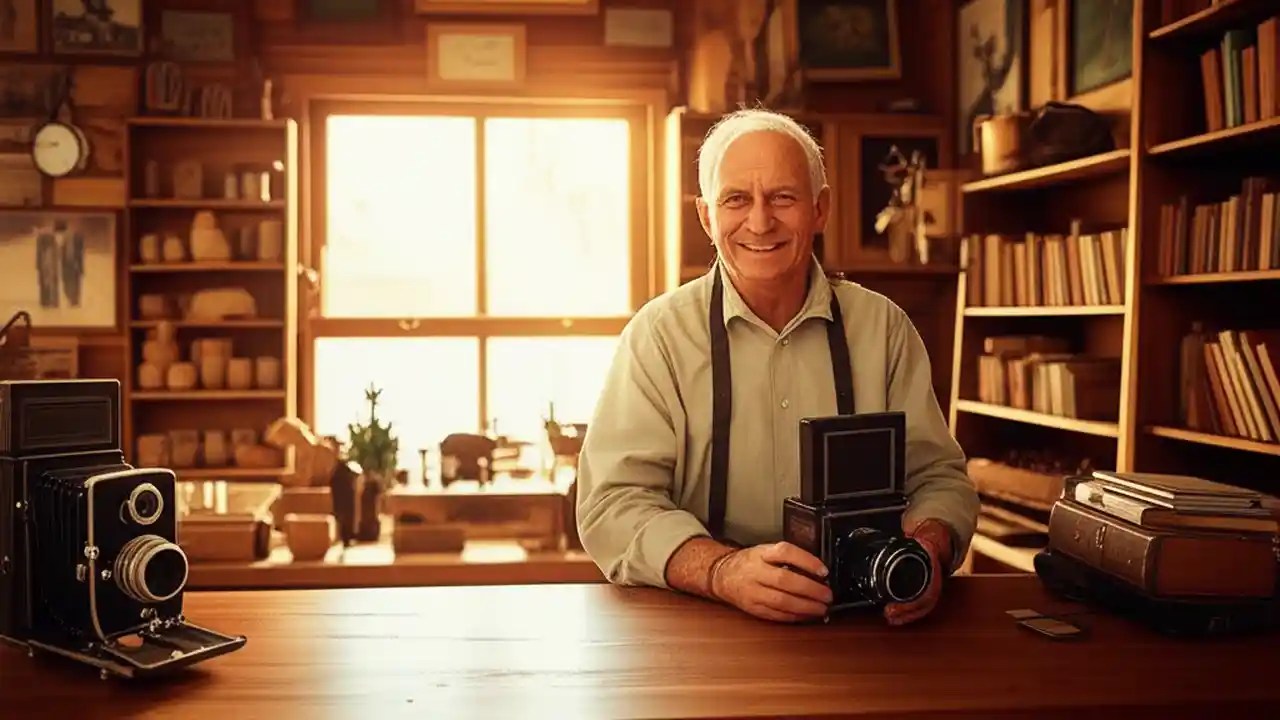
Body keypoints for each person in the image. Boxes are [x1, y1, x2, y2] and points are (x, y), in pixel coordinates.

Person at [575, 108, 979, 626]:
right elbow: (612, 503)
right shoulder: (658, 337)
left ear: (820, 209)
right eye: (736, 199)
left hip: (865, 627)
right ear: (706, 216)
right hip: (699, 624)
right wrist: (722, 571)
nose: (760, 221)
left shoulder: (883, 329)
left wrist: (927, 550)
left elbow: (939, 479)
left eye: (782, 197)